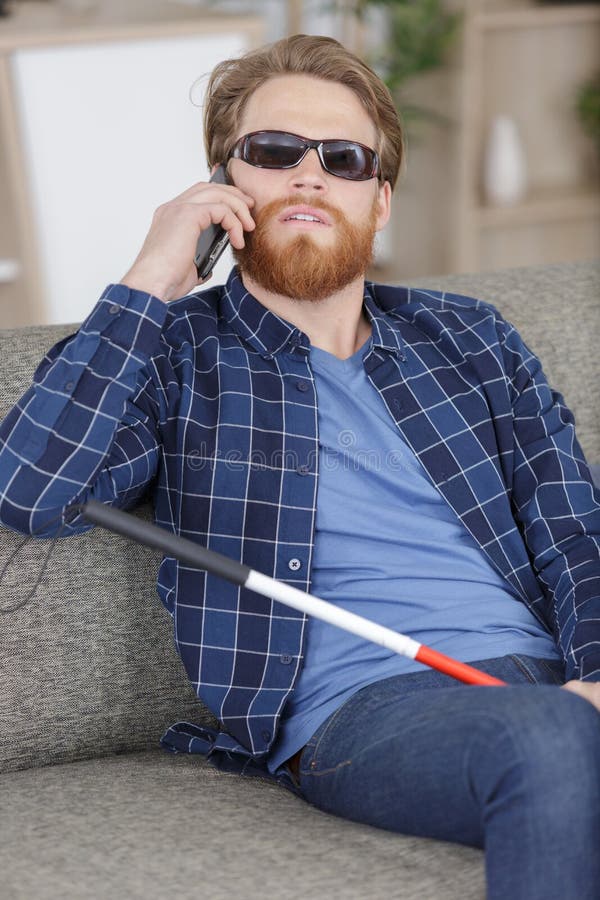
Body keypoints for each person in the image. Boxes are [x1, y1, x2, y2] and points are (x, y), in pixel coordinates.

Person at [0, 34, 599, 900]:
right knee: (549, 740)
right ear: (223, 187)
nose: (309, 176)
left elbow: (575, 532)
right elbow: (28, 487)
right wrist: (150, 279)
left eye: (343, 159)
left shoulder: (472, 338)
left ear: (380, 200)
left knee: (560, 725)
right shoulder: (173, 357)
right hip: (372, 709)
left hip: (548, 670)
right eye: (275, 152)